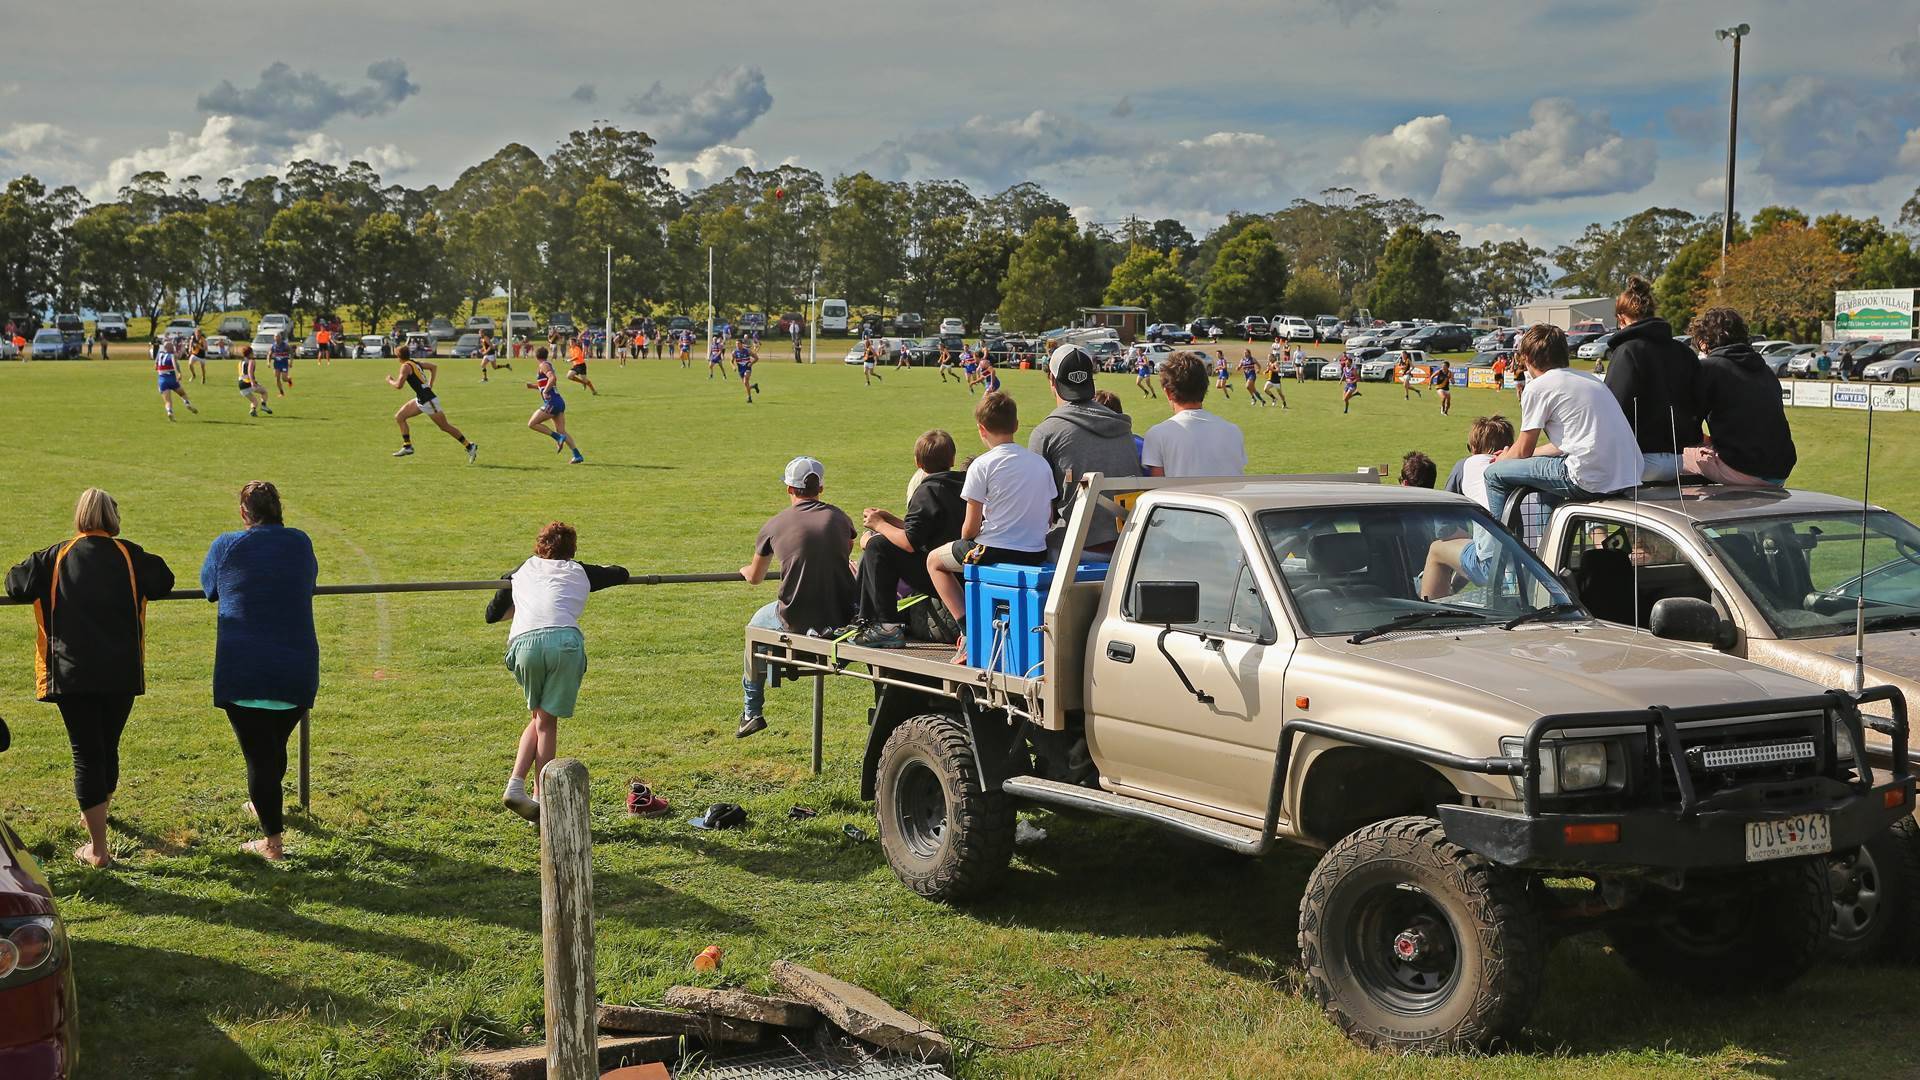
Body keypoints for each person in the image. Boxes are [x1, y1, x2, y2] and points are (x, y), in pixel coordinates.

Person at [6, 489, 175, 868]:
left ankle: (98, 849)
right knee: (106, 746)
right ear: (113, 518)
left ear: (79, 516)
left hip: (72, 672)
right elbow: (164, 580)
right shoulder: (130, 555)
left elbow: (15, 583)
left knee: (87, 753)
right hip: (120, 670)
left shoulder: (55, 555)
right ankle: (97, 821)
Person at [199, 482, 319, 860]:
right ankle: (265, 804)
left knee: (259, 758)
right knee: (273, 748)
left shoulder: (228, 543)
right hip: (297, 668)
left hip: (245, 667)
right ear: (279, 509)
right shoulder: (300, 541)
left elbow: (209, 588)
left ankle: (273, 844)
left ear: (243, 513)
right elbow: (307, 583)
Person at [484, 522, 633, 820]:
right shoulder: (580, 570)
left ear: (538, 546)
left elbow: (492, 615)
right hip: (563, 643)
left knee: (540, 717)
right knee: (547, 723)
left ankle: (516, 784)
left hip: (523, 646)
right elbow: (621, 573)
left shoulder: (520, 570)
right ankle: (542, 797)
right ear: (572, 549)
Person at [1477, 325, 1641, 553]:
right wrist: (1522, 455)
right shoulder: (1592, 380)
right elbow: (1567, 443)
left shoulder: (1538, 387)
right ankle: (1546, 555)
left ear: (1525, 358)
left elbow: (1523, 450)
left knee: (1492, 475)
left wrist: (1504, 458)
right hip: (1627, 475)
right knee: (1545, 488)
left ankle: (1501, 557)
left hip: (1588, 477)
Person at [927, 392, 1056, 660]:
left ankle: (968, 631)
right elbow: (1048, 516)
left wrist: (966, 539)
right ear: (1017, 425)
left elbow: (970, 529)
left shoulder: (982, 465)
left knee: (933, 562)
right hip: (1036, 551)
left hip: (994, 550)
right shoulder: (1039, 463)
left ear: (981, 429)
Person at [737, 457, 859, 737]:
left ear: (789, 489)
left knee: (755, 628)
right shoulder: (840, 517)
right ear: (821, 488)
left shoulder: (775, 524)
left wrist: (745, 570)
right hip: (842, 614)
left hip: (795, 616)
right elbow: (846, 547)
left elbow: (755, 577)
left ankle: (751, 711)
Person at [849, 430, 967, 646]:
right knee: (882, 540)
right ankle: (867, 619)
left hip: (941, 574)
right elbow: (930, 530)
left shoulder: (927, 491)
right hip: (960, 569)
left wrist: (879, 525)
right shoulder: (961, 484)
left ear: (917, 463)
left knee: (877, 545)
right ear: (952, 459)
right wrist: (891, 520)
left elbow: (910, 543)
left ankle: (886, 626)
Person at [1029, 345, 1139, 556]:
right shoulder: (1122, 426)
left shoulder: (1046, 433)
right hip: (1128, 546)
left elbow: (1036, 510)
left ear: (1052, 381)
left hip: (1074, 549)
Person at [1603, 276, 1702, 482]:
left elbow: (1612, 411)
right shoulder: (1684, 352)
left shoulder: (1626, 352)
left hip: (1641, 460)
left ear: (1621, 318)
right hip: (1681, 460)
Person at [1685, 307, 1797, 487]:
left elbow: (1684, 427)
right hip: (1779, 473)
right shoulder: (1765, 370)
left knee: (1671, 457)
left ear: (1704, 341)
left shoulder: (1710, 368)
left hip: (1743, 469)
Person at [1420, 416, 1516, 599]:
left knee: (1437, 549)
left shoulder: (1466, 465)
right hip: (1536, 563)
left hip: (1494, 566)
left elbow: (1442, 527)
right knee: (1472, 545)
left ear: (1474, 448)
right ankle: (1454, 591)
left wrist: (1462, 533)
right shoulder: (1522, 465)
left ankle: (1430, 615)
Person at [1141, 352, 1247, 478]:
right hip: (1225, 497)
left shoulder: (1157, 434)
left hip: (1180, 497)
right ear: (1204, 387)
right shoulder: (1233, 431)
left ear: (1168, 392)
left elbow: (1156, 489)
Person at [387, 346, 477, 462]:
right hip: (421, 399)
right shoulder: (414, 363)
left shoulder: (405, 367)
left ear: (399, 357)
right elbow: (433, 367)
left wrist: (389, 380)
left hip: (429, 401)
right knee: (400, 417)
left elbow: (399, 385)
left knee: (445, 426)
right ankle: (407, 446)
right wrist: (430, 384)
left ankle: (469, 446)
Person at [526, 348, 585, 464]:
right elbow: (547, 383)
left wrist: (545, 391)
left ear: (536, 356)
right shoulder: (546, 365)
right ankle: (577, 455)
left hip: (552, 402)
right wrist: (533, 386)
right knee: (561, 430)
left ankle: (557, 437)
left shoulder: (543, 365)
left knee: (532, 424)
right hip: (558, 401)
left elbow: (552, 378)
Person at [154, 335, 198, 419]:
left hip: (162, 380)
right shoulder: (172, 355)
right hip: (172, 379)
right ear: (171, 348)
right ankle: (187, 403)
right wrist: (179, 373)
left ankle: (169, 412)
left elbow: (155, 367)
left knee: (167, 401)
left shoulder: (159, 355)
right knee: (182, 394)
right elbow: (175, 364)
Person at [236, 344, 273, 417]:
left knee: (254, 401)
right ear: (250, 353)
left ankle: (253, 410)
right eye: (252, 352)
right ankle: (263, 406)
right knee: (264, 391)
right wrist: (252, 382)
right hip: (248, 381)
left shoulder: (241, 362)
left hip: (240, 384)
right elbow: (249, 372)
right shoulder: (251, 360)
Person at [270, 331, 294, 396]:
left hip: (284, 363)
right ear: (274, 338)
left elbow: (291, 353)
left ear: (280, 337)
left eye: (277, 337)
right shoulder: (273, 346)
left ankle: (289, 379)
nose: (276, 338)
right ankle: (281, 392)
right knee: (277, 378)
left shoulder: (286, 345)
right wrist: (268, 362)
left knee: (284, 379)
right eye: (275, 337)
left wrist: (291, 362)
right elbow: (269, 354)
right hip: (276, 364)